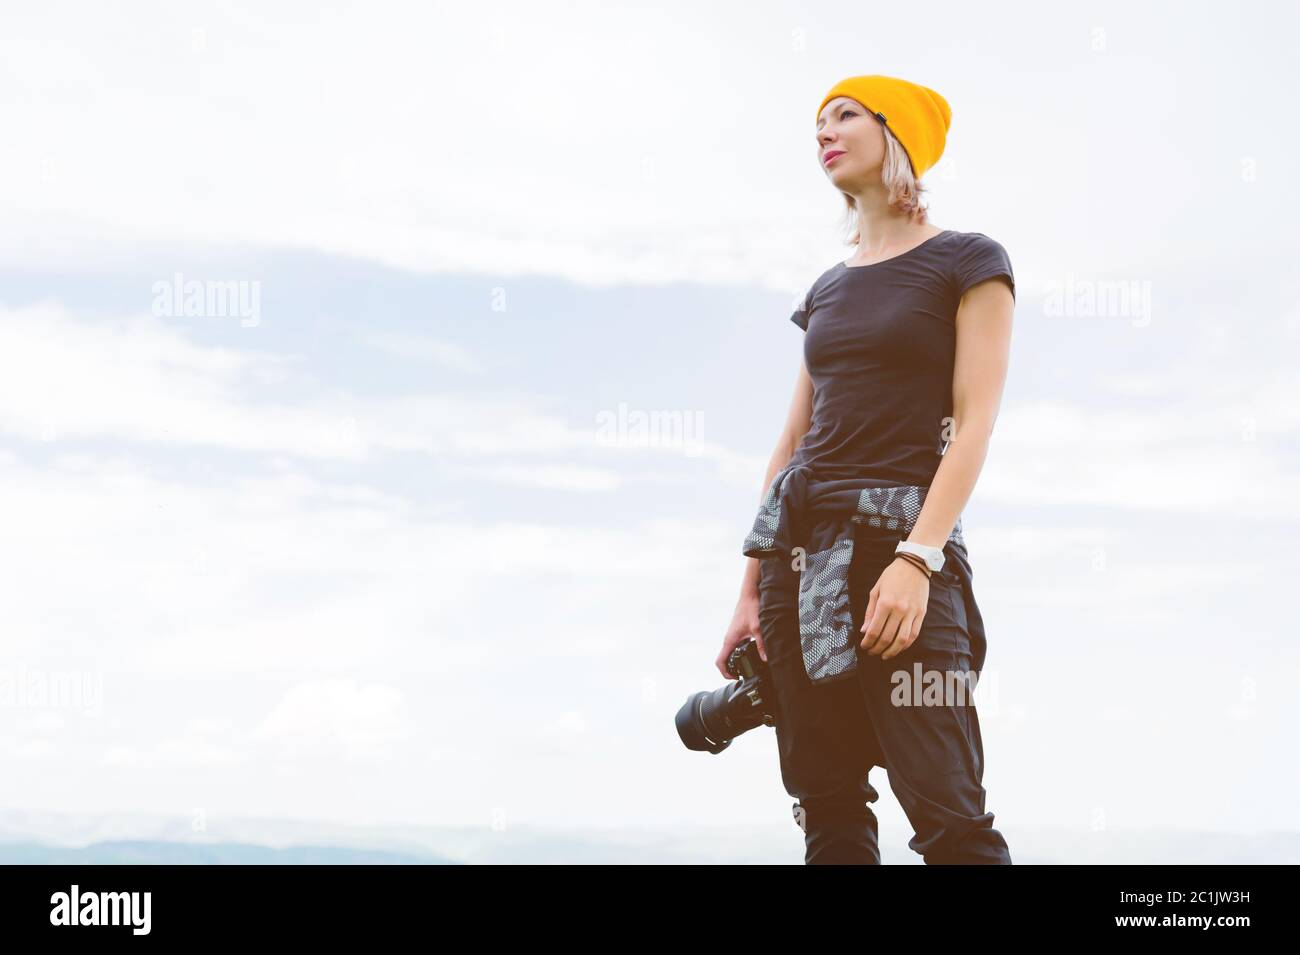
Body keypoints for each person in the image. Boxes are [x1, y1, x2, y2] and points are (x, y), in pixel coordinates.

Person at [718, 75, 1016, 864]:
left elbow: (975, 421)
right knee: (829, 806)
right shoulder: (827, 288)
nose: (826, 131)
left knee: (951, 816)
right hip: (799, 562)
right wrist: (749, 590)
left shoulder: (968, 260)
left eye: (846, 114)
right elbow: (791, 441)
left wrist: (919, 559)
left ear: (899, 133)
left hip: (901, 552)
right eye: (818, 122)